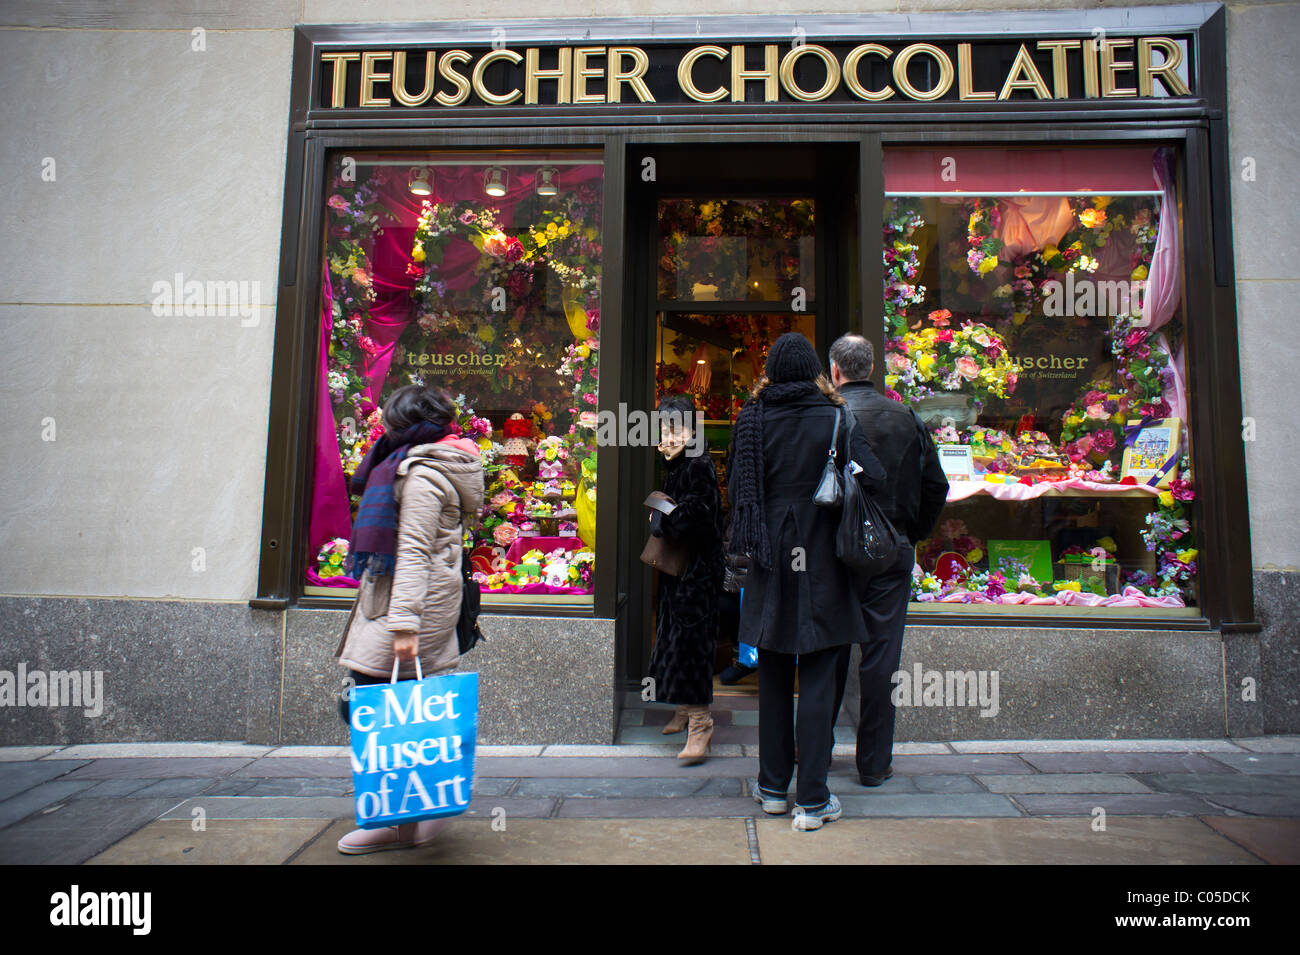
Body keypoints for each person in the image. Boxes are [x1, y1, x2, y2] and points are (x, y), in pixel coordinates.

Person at [727, 332, 886, 830]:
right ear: (817, 370)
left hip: (769, 554)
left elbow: (735, 488)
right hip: (824, 556)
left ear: (771, 372)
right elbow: (874, 475)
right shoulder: (837, 415)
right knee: (819, 675)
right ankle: (813, 801)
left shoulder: (751, 418)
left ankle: (774, 788)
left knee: (773, 673)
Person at [332, 384, 485, 854]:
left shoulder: (421, 475)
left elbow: (415, 552)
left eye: (388, 420)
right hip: (411, 601)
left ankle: (400, 820)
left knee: (376, 708)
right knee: (389, 708)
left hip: (409, 607)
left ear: (405, 424)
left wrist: (403, 626)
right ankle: (418, 812)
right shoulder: (422, 463)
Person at [827, 333, 948, 787]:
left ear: (835, 371)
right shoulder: (907, 417)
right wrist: (912, 534)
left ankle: (816, 752)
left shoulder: (830, 415)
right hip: (891, 547)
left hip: (836, 550)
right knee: (881, 659)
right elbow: (936, 485)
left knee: (828, 651)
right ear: (872, 368)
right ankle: (875, 762)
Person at [646, 394, 725, 764]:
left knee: (692, 647)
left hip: (697, 575)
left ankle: (700, 722)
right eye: (664, 429)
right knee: (673, 641)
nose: (668, 437)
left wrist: (662, 520)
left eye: (676, 429)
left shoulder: (698, 464)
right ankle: (682, 708)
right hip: (681, 572)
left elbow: (699, 516)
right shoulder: (681, 463)